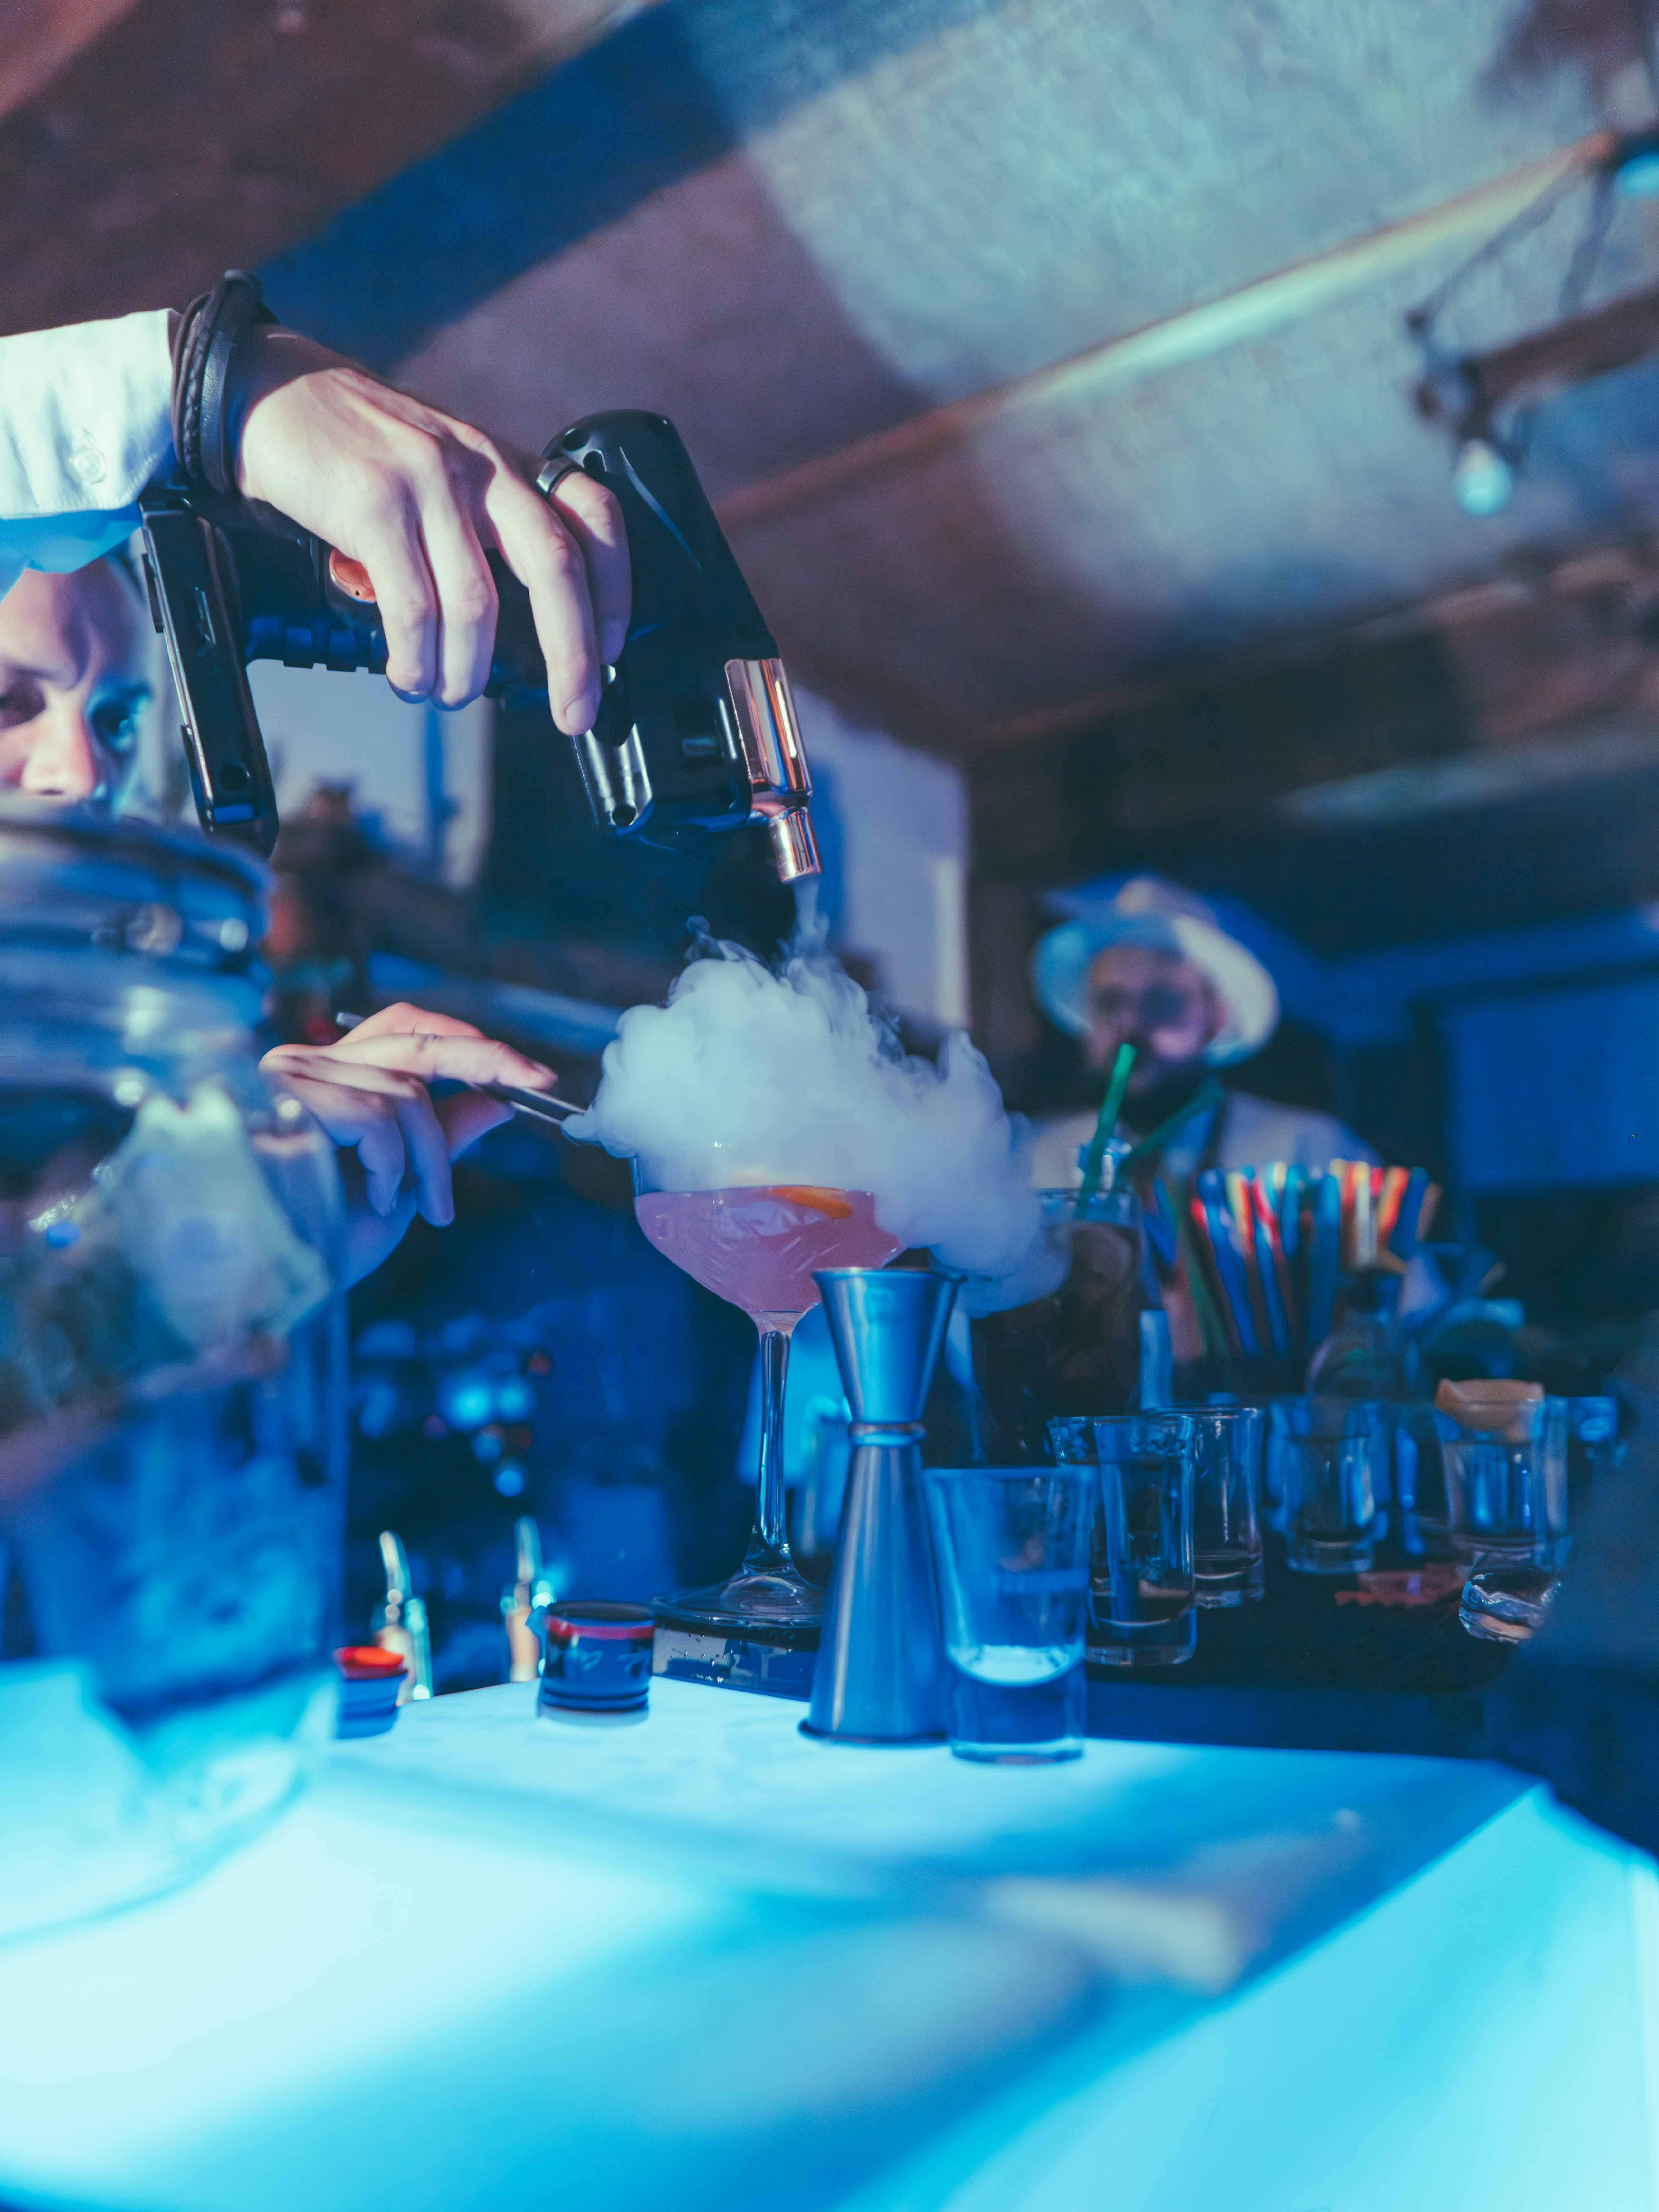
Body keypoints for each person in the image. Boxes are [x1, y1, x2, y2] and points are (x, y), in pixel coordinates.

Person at [1027, 875, 1374, 1188]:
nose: (1130, 1025)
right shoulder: (1041, 1161)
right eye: (1110, 1002)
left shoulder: (1309, 1153)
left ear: (1217, 1018)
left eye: (1162, 1002)